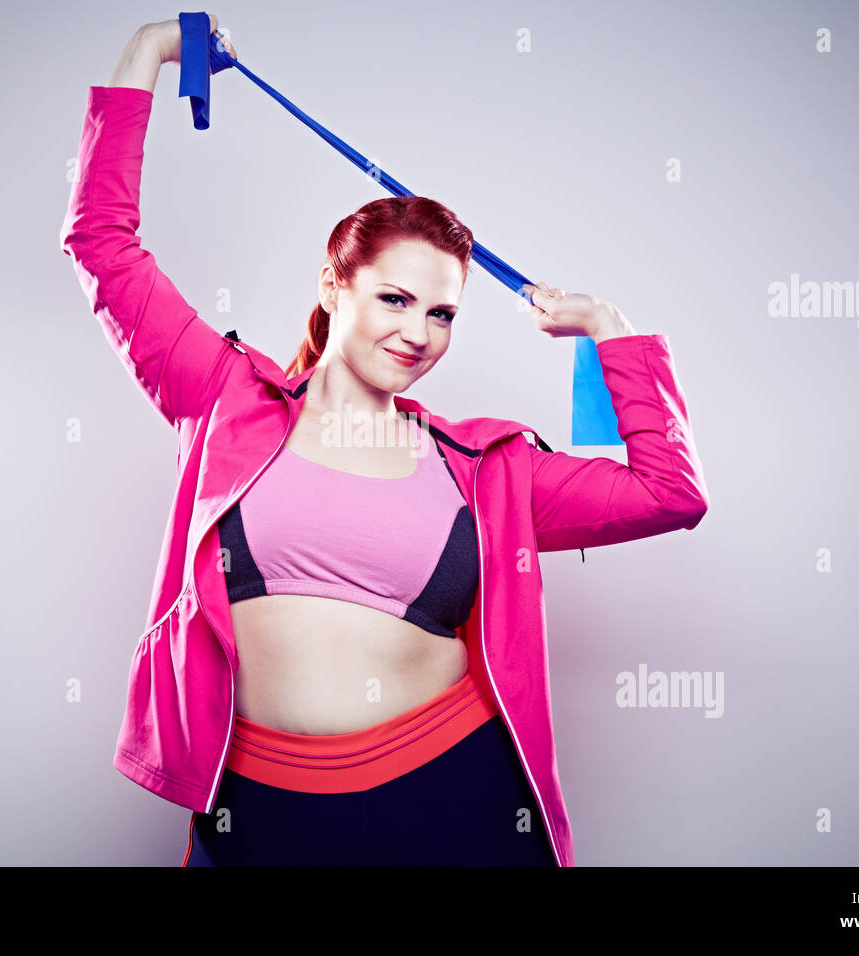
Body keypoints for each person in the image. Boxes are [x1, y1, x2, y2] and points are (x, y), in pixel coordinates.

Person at [60, 14, 710, 866]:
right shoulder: (225, 398)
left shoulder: (486, 469)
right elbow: (101, 244)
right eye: (396, 300)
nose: (420, 333)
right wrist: (149, 52)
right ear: (333, 285)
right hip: (257, 807)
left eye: (442, 313)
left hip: (452, 792)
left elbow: (670, 492)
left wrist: (612, 333)